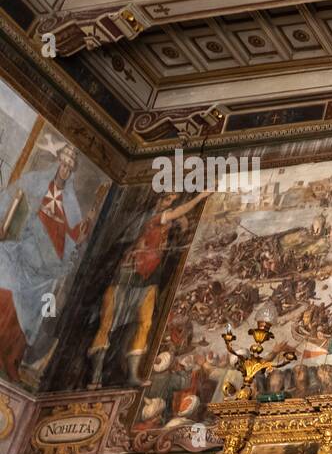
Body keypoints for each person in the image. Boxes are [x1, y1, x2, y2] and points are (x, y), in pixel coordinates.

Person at [87, 189, 211, 389]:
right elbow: (177, 214)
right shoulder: (151, 218)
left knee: (145, 323)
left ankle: (133, 375)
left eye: (172, 201)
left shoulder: (161, 224)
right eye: (168, 200)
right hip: (128, 276)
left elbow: (176, 226)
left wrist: (181, 223)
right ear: (158, 201)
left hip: (149, 278)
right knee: (107, 323)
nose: (169, 205)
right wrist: (200, 197)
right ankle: (95, 376)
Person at [0, 143, 97, 383]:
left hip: (45, 268)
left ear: (72, 172)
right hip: (22, 253)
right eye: (62, 164)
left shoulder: (71, 203)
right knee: (6, 286)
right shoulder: (36, 182)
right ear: (57, 164)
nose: (64, 170)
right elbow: (13, 197)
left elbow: (73, 238)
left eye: (69, 168)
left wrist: (81, 236)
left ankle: (12, 359)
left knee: (36, 310)